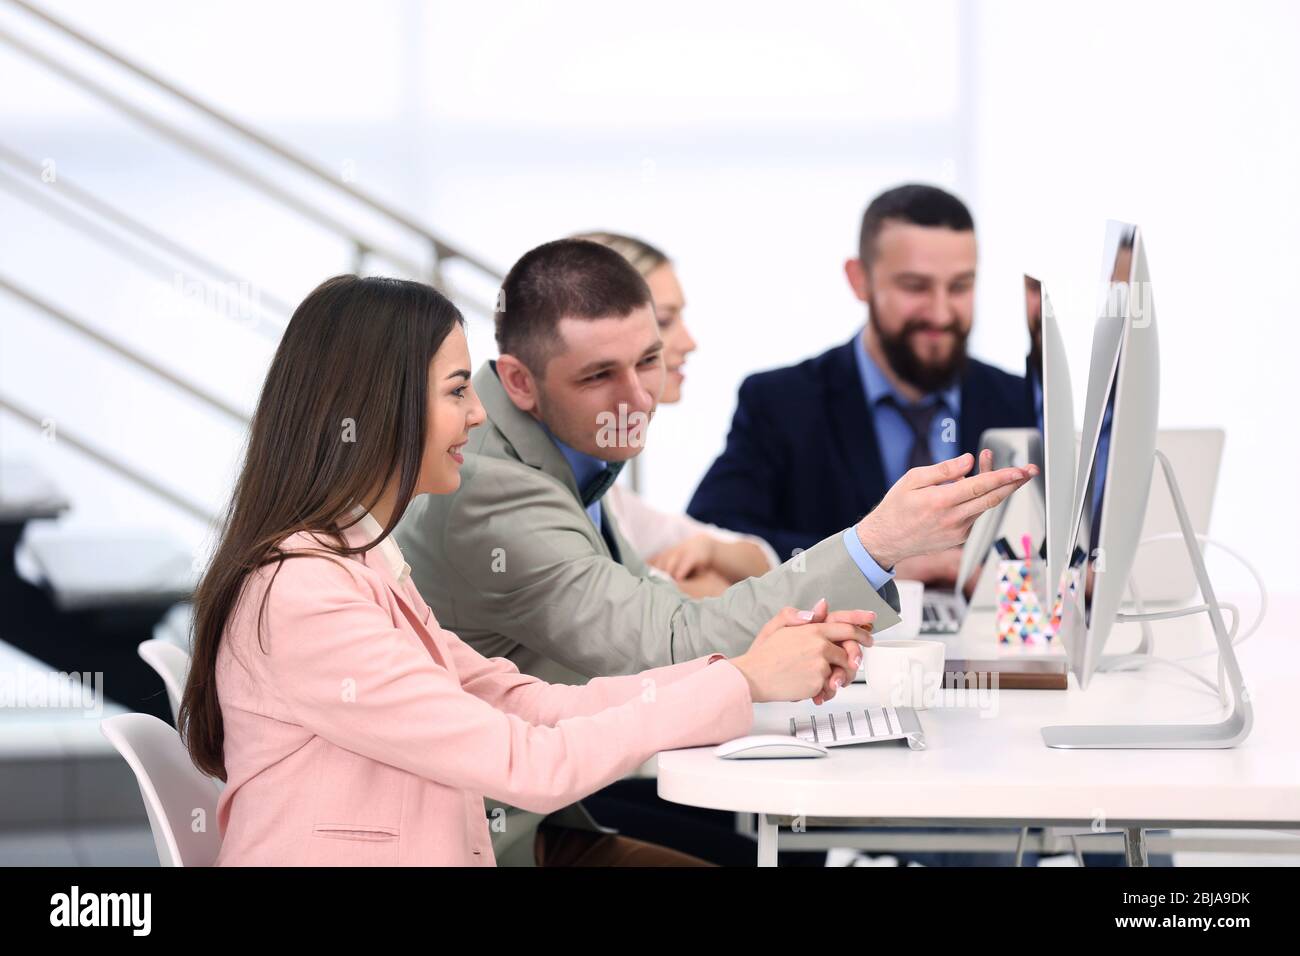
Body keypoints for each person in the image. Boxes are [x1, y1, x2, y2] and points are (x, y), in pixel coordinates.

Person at [178, 275, 875, 866]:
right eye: (456, 391)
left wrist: (741, 673)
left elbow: (526, 702)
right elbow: (526, 764)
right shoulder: (306, 593)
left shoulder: (357, 563)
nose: (479, 415)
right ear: (377, 411)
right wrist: (744, 678)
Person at [395, 238, 1037, 863]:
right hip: (496, 828)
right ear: (520, 381)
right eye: (599, 376)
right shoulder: (495, 492)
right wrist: (878, 544)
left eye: (649, 359)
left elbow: (657, 608)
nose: (638, 397)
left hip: (563, 792)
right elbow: (664, 639)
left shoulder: (559, 448)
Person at [688, 183, 1037, 589]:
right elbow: (711, 535)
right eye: (915, 286)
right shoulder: (783, 403)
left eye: (960, 286)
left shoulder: (1020, 400)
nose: (941, 313)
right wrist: (869, 558)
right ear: (860, 280)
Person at [574, 231, 778, 597]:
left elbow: (761, 558)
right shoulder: (551, 486)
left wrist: (712, 552)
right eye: (665, 321)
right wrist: (708, 584)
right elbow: (634, 625)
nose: (689, 342)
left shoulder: (605, 488)